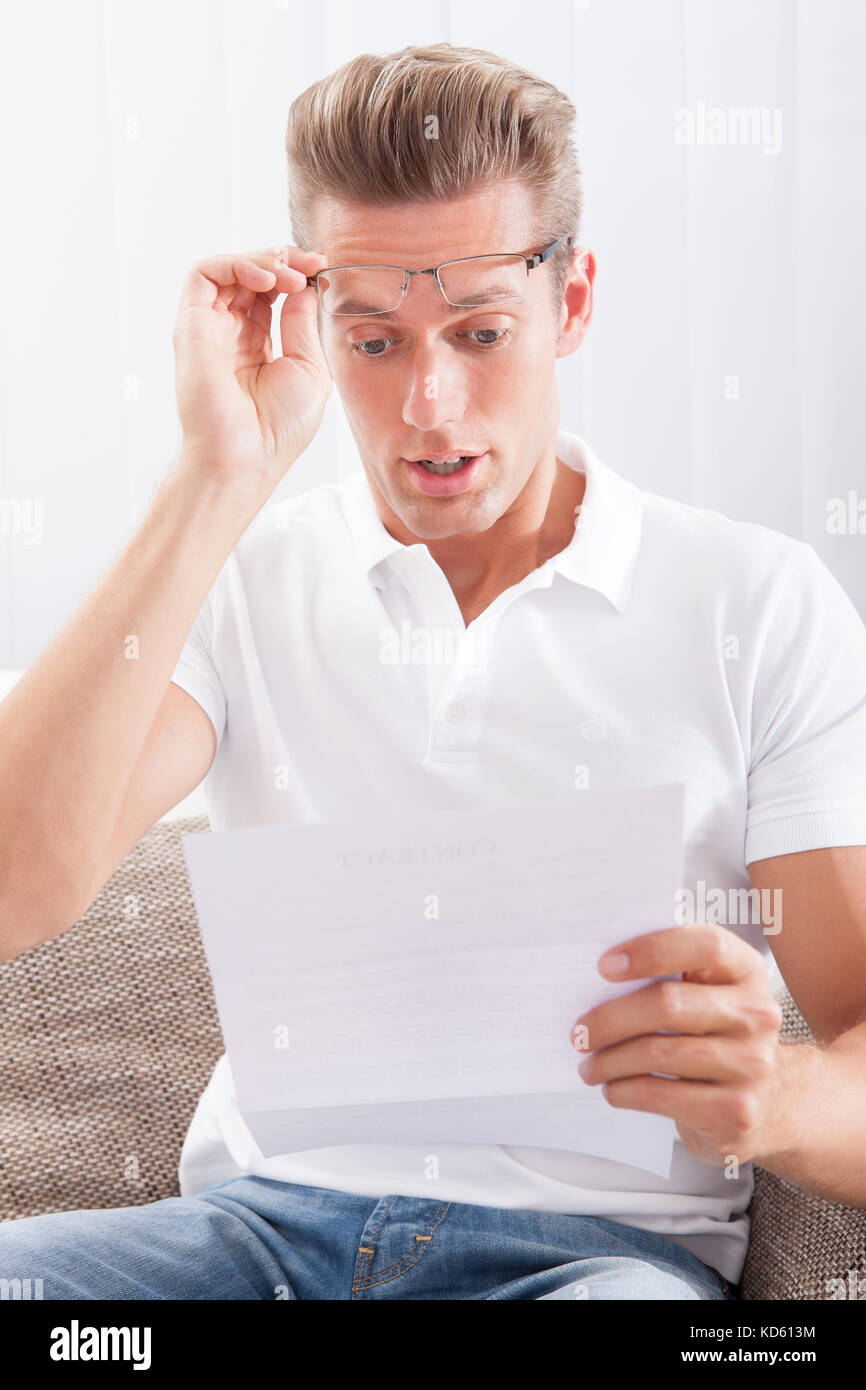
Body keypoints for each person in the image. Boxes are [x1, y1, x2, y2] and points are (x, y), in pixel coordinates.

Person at [0, 42, 864, 1303]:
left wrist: (776, 1095)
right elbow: (13, 887)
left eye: (480, 332)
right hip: (252, 1244)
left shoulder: (756, 603)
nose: (428, 407)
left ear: (570, 303)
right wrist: (212, 478)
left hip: (590, 1261)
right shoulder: (240, 580)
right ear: (314, 326)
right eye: (373, 341)